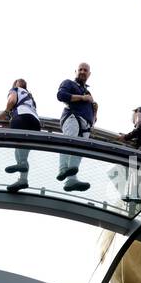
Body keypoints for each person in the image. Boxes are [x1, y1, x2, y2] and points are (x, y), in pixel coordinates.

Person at [55, 62, 95, 192]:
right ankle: (63, 169)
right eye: (80, 69)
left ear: (89, 74)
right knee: (69, 141)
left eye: (85, 70)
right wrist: (83, 98)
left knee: (79, 150)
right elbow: (61, 95)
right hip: (72, 117)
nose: (82, 72)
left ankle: (71, 180)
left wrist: (94, 111)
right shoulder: (69, 83)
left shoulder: (87, 91)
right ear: (76, 71)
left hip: (86, 124)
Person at [2, 78, 40, 192]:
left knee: (18, 144)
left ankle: (21, 164)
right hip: (35, 122)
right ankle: (23, 179)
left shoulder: (15, 89)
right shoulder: (30, 96)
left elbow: (12, 101)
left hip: (21, 116)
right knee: (23, 149)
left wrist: (6, 112)